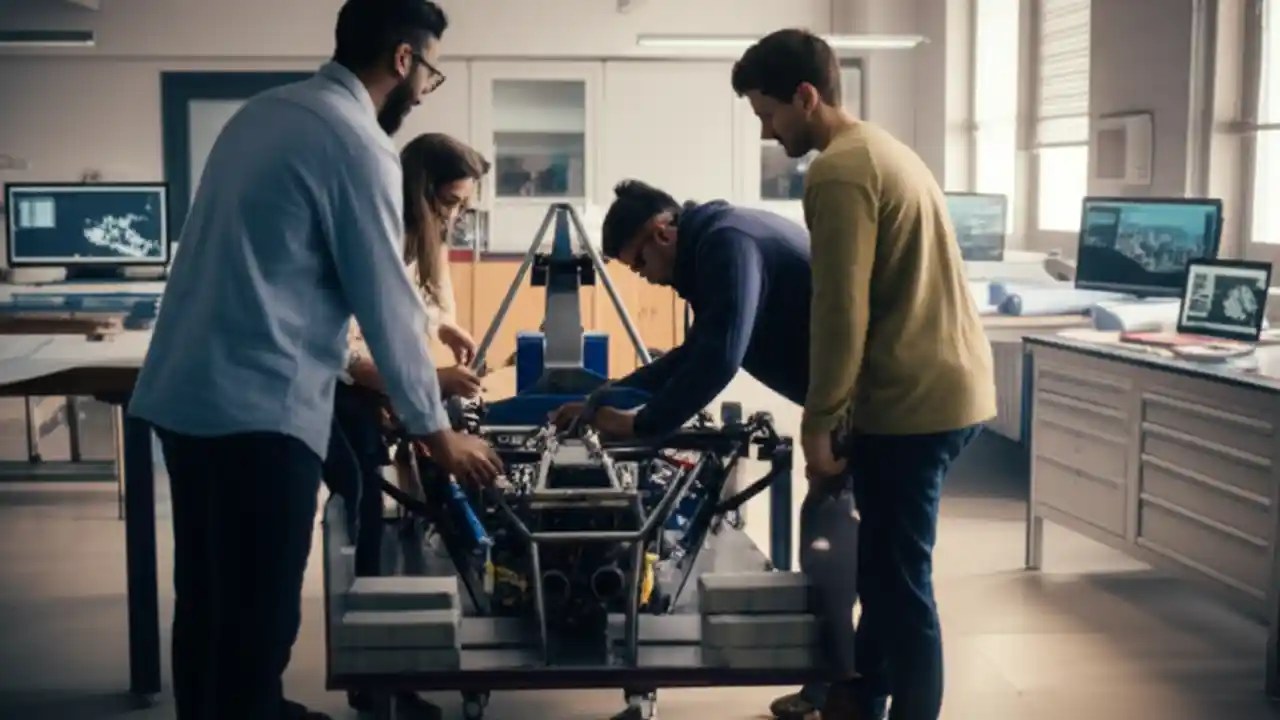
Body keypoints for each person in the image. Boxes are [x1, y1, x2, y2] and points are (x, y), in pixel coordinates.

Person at [126, 2, 503, 718]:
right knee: (255, 634)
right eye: (431, 72)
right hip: (259, 418)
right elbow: (384, 299)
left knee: (206, 609)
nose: (426, 89)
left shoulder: (263, 115)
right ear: (403, 60)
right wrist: (437, 433)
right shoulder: (355, 142)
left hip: (187, 402)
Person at [730, 29, 997, 720]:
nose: (767, 131)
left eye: (768, 114)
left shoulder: (840, 169)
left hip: (916, 402)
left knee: (899, 581)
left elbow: (840, 309)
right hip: (947, 387)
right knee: (881, 568)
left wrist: (819, 423)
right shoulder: (883, 148)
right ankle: (858, 697)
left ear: (806, 96)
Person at [323, 132, 490, 715]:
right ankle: (374, 679)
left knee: (398, 500)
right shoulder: (379, 233)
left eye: (463, 207)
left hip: (367, 389)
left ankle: (392, 665)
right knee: (364, 502)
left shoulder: (423, 234)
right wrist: (427, 387)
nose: (454, 217)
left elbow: (413, 309)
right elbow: (346, 353)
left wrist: (444, 328)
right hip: (327, 393)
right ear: (419, 192)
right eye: (448, 204)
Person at [548, 179, 812, 442]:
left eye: (640, 263)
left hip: (851, 400)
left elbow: (720, 357)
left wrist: (641, 425)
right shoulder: (715, 241)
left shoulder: (727, 243)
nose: (646, 277)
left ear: (662, 233)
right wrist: (600, 400)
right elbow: (694, 353)